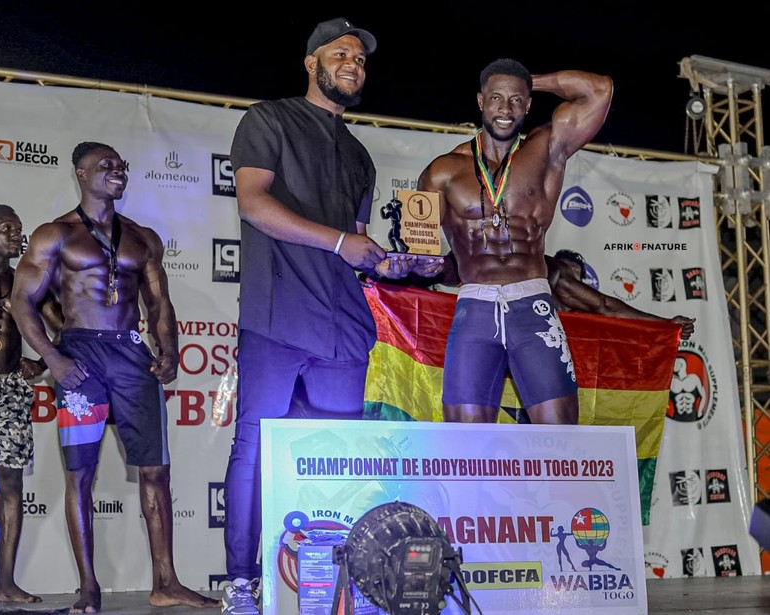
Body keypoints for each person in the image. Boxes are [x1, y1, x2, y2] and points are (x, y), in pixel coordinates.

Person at [221, 17, 442, 615]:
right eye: (340, 54)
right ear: (311, 62)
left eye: (361, 59)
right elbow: (253, 204)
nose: (353, 65)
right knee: (255, 447)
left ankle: (327, 583)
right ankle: (241, 581)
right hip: (277, 314)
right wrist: (342, 243)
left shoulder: (360, 155)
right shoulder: (268, 119)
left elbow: (358, 244)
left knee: (334, 456)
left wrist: (394, 265)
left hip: (343, 326)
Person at [9, 142, 219, 613]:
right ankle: (88, 588)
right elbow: (22, 300)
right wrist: (52, 358)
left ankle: (166, 582)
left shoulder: (142, 238)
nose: (117, 170)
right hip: (80, 356)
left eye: (121, 165)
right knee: (80, 473)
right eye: (105, 165)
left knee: (156, 470)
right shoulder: (55, 234)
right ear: (81, 174)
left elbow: (159, 303)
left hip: (129, 354)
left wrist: (170, 351)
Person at [417, 58, 613, 426]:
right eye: (495, 98)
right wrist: (408, 264)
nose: (505, 109)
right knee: (465, 439)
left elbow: (600, 89)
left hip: (532, 305)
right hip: (475, 307)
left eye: (516, 100)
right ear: (480, 101)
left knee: (560, 437)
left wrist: (526, 81)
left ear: (528, 104)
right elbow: (423, 253)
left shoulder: (547, 149)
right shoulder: (442, 171)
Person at [0, 204, 61, 604]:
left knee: (10, 484)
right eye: (4, 227)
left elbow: (64, 326)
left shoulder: (26, 282)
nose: (14, 233)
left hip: (8, 386)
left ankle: (5, 584)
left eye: (17, 228)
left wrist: (42, 363)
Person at [548, 249, 696, 339]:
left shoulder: (587, 319)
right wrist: (666, 323)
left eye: (577, 281)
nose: (574, 286)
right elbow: (604, 306)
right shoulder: (551, 268)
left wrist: (667, 325)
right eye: (570, 278)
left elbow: (607, 308)